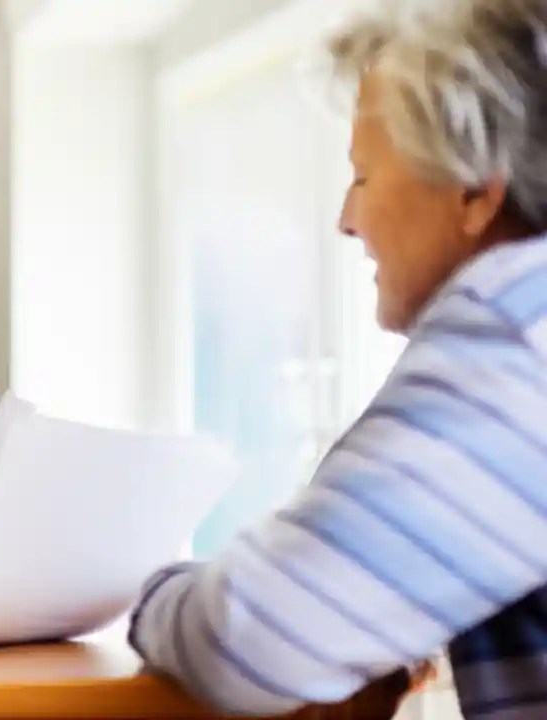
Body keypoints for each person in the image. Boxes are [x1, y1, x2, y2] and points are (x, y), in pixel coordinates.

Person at [129, 1, 547, 718]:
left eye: (363, 175)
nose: (347, 221)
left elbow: (248, 637)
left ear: (475, 189)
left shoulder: (512, 327)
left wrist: (150, 595)